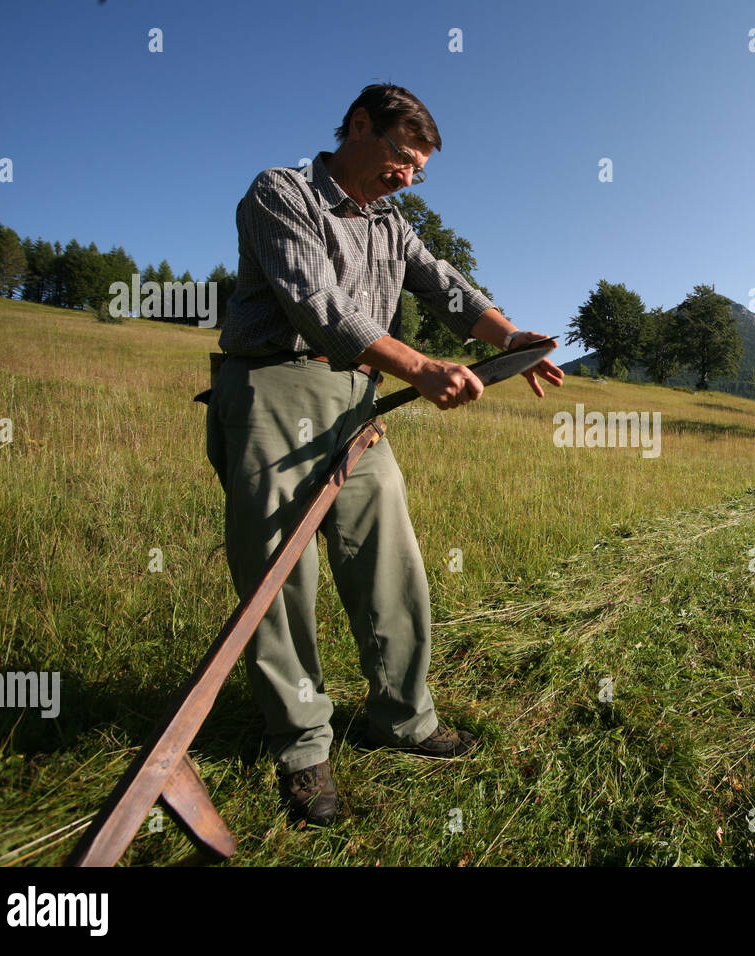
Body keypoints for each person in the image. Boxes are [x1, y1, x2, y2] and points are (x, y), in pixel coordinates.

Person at [206, 83, 563, 825]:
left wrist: (512, 340)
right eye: (402, 157)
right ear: (358, 127)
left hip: (358, 402)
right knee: (280, 579)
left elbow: (450, 290)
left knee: (390, 562)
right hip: (273, 390)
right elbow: (319, 304)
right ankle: (304, 750)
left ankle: (403, 719)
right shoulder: (281, 192)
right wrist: (423, 369)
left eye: (418, 170)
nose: (406, 176)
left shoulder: (392, 225)